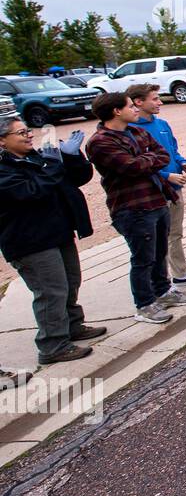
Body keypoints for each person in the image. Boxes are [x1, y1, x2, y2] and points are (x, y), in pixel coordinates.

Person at [0, 118, 104, 364]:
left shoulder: (36, 158)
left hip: (57, 232)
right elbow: (33, 191)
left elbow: (75, 179)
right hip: (30, 241)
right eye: (20, 133)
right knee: (51, 291)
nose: (28, 136)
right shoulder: (4, 170)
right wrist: (54, 165)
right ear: (2, 140)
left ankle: (72, 326)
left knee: (70, 282)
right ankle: (52, 345)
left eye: (28, 131)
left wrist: (72, 157)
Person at [85, 92, 186, 324]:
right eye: (129, 106)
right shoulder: (100, 142)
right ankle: (145, 304)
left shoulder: (136, 131)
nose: (135, 109)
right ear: (116, 111)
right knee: (143, 258)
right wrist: (147, 159)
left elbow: (162, 155)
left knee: (159, 252)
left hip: (157, 199)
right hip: (133, 207)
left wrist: (147, 159)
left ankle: (163, 291)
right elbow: (131, 167)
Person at [127, 83, 186, 287]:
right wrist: (165, 176)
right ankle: (159, 281)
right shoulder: (131, 131)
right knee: (157, 238)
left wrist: (181, 162)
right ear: (139, 102)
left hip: (175, 189)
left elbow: (172, 148)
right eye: (154, 98)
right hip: (154, 192)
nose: (160, 102)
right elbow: (137, 163)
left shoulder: (162, 124)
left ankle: (181, 274)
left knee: (175, 233)